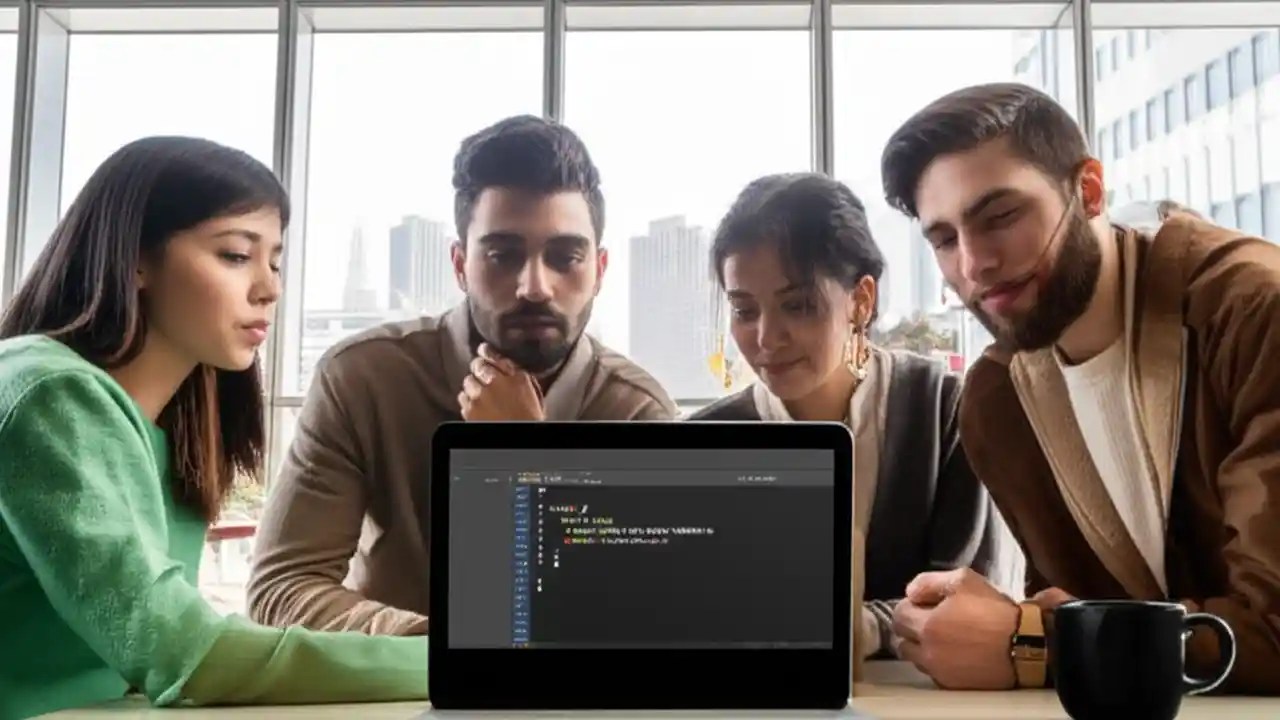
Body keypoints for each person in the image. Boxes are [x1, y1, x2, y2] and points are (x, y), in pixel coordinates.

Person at [0, 137, 427, 719]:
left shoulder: (166, 435)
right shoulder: (48, 393)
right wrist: (455, 659)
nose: (270, 287)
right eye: (234, 255)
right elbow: (186, 653)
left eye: (274, 260)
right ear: (136, 259)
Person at [879, 82, 1280, 694]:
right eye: (943, 239)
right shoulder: (996, 400)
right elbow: (1071, 603)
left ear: (1089, 190)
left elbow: (1272, 629)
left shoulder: (1254, 312)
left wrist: (1035, 642)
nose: (974, 263)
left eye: (1001, 217)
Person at [248, 115, 677, 635]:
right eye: (502, 255)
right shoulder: (363, 379)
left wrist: (523, 458)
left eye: (566, 257)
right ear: (459, 263)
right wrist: (443, 648)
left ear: (600, 270)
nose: (534, 286)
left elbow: (640, 619)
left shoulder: (637, 413)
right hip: (390, 701)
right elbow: (281, 587)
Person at [687, 172, 1018, 660]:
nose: (765, 338)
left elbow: (966, 606)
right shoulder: (706, 440)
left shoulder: (944, 408)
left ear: (861, 300)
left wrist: (859, 629)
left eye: (797, 306)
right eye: (744, 310)